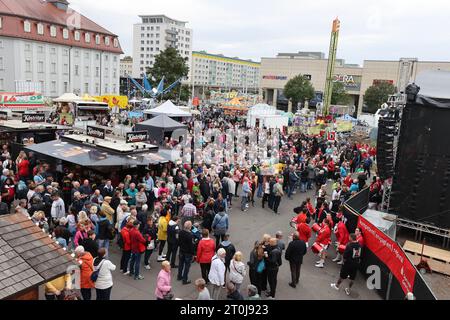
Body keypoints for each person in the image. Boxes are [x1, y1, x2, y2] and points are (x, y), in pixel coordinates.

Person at [177, 220, 195, 285]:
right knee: (187, 266)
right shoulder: (190, 235)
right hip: (188, 253)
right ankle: (185, 279)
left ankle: (179, 276)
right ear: (190, 227)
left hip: (181, 251)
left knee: (181, 264)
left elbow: (178, 241)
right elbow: (191, 246)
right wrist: (193, 254)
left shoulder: (181, 232)